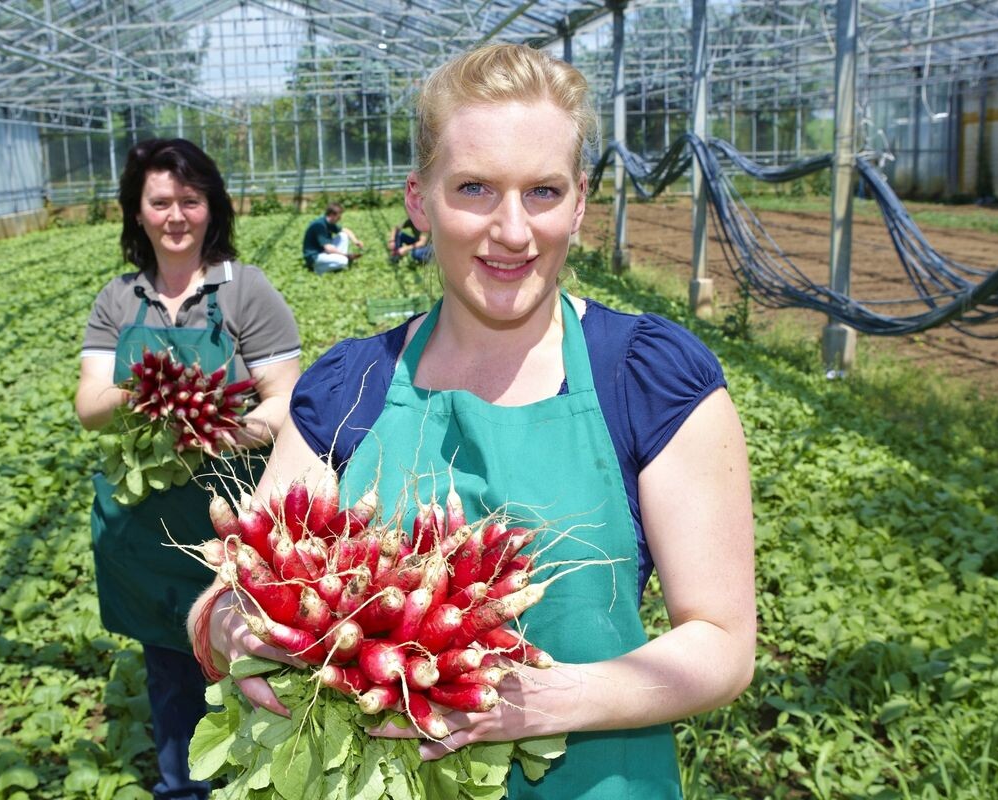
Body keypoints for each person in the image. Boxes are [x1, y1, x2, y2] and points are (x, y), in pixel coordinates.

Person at [190, 43, 755, 798]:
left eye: (544, 191)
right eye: (475, 189)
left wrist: (543, 700)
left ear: (580, 203)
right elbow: (234, 583)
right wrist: (227, 621)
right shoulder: (351, 386)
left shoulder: (647, 378)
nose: (513, 230)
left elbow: (722, 644)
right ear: (419, 201)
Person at [75, 138, 301, 800]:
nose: (176, 215)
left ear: (212, 208)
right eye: (161, 201)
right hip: (145, 531)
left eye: (191, 200)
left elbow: (286, 398)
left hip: (232, 513)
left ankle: (261, 783)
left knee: (256, 663)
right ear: (137, 212)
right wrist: (147, 391)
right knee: (170, 670)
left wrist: (222, 428)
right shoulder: (119, 299)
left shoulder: (246, 289)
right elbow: (90, 405)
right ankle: (182, 789)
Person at [301, 202, 364, 274]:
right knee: (344, 261)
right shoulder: (319, 226)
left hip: (323, 251)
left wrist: (356, 241)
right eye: (339, 216)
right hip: (314, 256)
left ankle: (335, 261)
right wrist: (346, 256)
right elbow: (328, 248)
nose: (340, 219)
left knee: (343, 235)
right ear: (332, 215)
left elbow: (345, 230)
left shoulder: (328, 222)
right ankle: (317, 269)